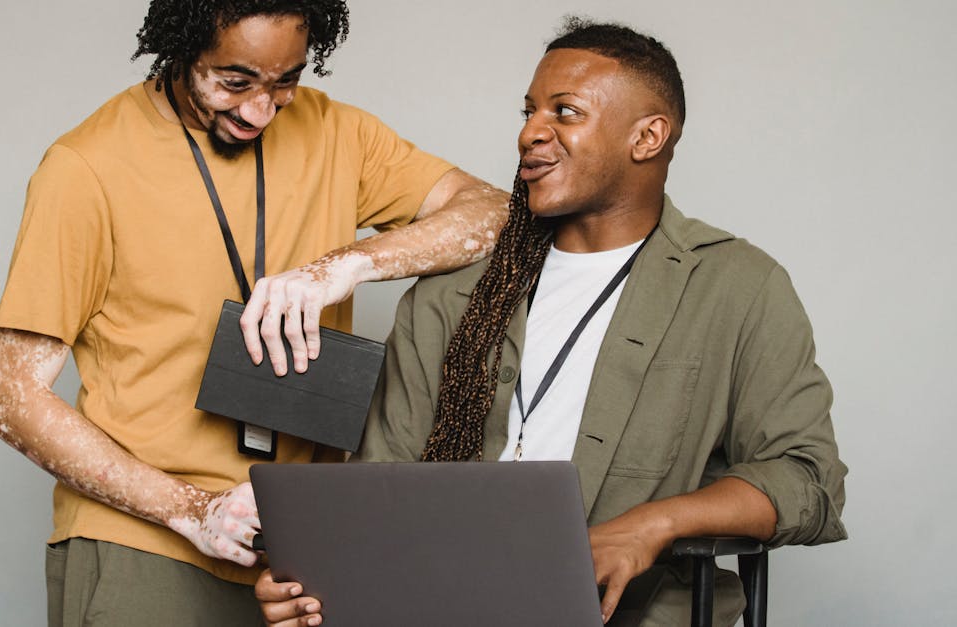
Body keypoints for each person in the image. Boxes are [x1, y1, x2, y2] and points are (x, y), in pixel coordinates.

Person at [255, 17, 847, 627]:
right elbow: (379, 488)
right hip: (446, 605)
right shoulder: (452, 295)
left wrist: (652, 525)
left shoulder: (738, 287)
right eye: (529, 110)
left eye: (565, 112)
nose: (530, 133)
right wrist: (315, 588)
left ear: (647, 137)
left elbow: (807, 481)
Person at [0, 1, 508, 624]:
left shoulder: (337, 132)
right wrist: (192, 510)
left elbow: (492, 212)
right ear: (180, 48)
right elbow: (10, 398)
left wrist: (345, 267)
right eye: (234, 82)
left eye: (285, 82)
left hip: (302, 546)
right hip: (143, 540)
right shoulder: (84, 167)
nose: (261, 109)